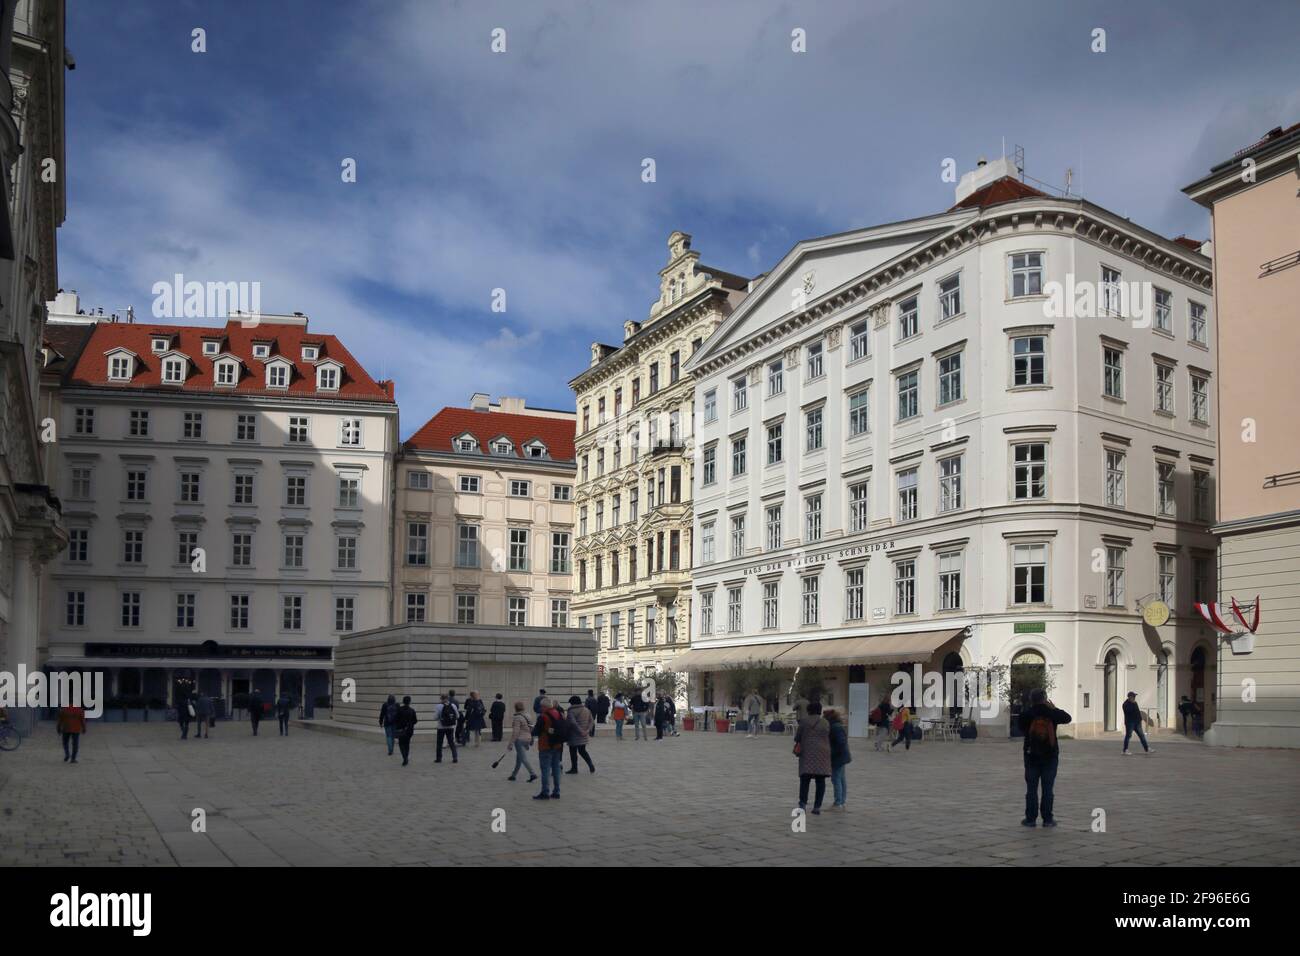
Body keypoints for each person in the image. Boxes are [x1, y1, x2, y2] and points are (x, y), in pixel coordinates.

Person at [1018, 688, 1072, 827]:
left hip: (1031, 756)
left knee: (1031, 788)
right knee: (1048, 788)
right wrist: (1054, 708)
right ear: (1045, 698)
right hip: (1050, 756)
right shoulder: (1051, 713)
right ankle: (1047, 819)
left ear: (1032, 699)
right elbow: (1067, 718)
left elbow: (1020, 727)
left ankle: (1030, 819)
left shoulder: (1028, 714)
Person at [794, 701, 831, 815]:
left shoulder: (804, 722)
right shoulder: (825, 722)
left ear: (809, 710)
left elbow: (797, 737)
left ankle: (802, 804)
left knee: (805, 779)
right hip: (822, 753)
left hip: (807, 753)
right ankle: (817, 807)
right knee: (820, 780)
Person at [533, 698, 567, 799]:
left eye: (541, 706)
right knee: (556, 769)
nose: (540, 708)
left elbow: (536, 731)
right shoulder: (559, 713)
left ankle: (545, 792)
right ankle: (556, 791)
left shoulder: (543, 717)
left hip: (545, 745)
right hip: (557, 745)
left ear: (544, 706)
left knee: (545, 770)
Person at [826, 708, 851, 812]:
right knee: (841, 778)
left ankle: (838, 802)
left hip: (838, 757)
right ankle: (842, 801)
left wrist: (833, 752)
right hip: (842, 756)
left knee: (836, 778)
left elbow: (840, 742)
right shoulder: (837, 725)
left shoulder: (834, 727)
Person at [564, 695, 596, 773]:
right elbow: (592, 721)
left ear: (573, 703)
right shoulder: (586, 710)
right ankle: (590, 764)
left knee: (573, 752)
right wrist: (587, 731)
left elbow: (573, 723)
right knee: (582, 751)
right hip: (584, 735)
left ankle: (574, 768)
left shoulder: (571, 711)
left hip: (574, 735)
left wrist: (581, 731)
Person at [508, 702, 538, 782]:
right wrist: (532, 739)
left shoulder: (517, 717)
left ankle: (532, 774)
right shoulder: (528, 716)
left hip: (520, 740)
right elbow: (532, 728)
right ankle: (513, 775)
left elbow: (516, 732)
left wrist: (510, 744)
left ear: (515, 708)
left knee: (523, 758)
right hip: (527, 738)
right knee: (519, 758)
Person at [436, 693, 459, 763]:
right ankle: (455, 757)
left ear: (441, 699)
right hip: (450, 727)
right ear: (447, 698)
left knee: (439, 743)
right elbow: (457, 716)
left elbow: (435, 717)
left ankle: (439, 758)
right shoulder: (453, 705)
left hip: (441, 727)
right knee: (451, 742)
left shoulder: (438, 706)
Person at [394, 695, 417, 766]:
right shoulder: (412, 710)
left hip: (401, 730)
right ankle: (406, 757)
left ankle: (404, 758)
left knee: (401, 744)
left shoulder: (399, 710)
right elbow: (415, 721)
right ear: (409, 702)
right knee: (407, 744)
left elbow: (396, 719)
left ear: (403, 701)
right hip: (409, 730)